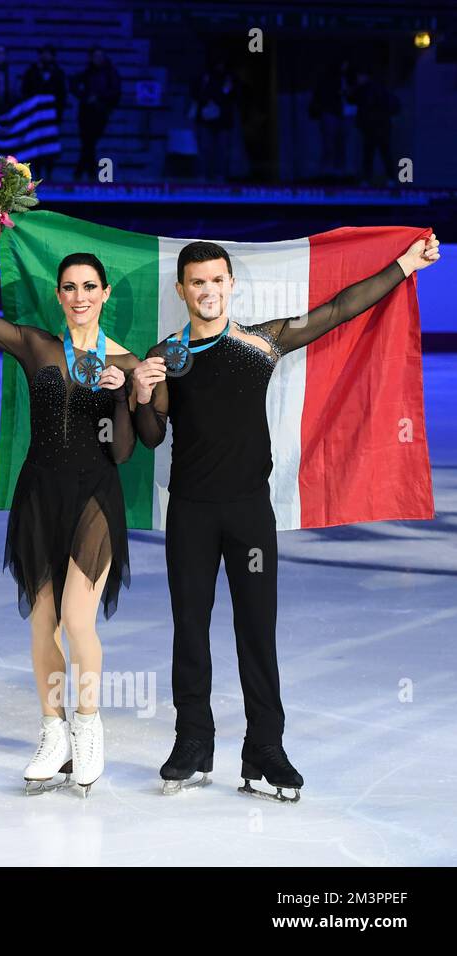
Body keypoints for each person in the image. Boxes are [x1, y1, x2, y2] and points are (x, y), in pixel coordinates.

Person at [132, 234, 440, 801]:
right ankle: (193, 741)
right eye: (196, 282)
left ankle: (264, 749)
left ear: (230, 285)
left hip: (249, 513)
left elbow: (339, 309)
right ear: (182, 289)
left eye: (216, 280)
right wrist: (143, 393)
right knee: (189, 632)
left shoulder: (261, 343)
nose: (207, 290)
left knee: (257, 632)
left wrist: (404, 264)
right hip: (192, 514)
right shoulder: (165, 356)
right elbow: (151, 439)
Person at [0, 209, 138, 796]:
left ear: (104, 294)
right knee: (43, 624)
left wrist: (125, 395)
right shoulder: (37, 345)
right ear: (58, 295)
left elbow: (127, 452)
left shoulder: (125, 361)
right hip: (40, 493)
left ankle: (88, 725)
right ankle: (52, 731)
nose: (80, 296)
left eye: (89, 287)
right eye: (70, 287)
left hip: (94, 498)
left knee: (78, 620)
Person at [20, 45, 67, 181]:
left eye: (49, 54)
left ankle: (49, 174)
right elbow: (25, 91)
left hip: (51, 118)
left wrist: (58, 114)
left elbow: (62, 95)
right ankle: (37, 174)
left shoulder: (58, 72)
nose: (46, 56)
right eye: (43, 53)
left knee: (50, 147)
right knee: (37, 147)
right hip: (35, 118)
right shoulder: (32, 72)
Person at [73, 46, 120, 181]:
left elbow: (115, 92)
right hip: (85, 113)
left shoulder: (110, 73)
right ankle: (87, 172)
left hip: (101, 113)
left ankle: (82, 171)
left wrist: (99, 97)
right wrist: (84, 96)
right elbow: (74, 85)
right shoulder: (86, 72)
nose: (97, 59)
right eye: (95, 56)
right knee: (87, 143)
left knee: (90, 143)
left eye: (100, 56)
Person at [190, 60, 236, 183]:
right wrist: (209, 101)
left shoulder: (229, 79)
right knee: (204, 149)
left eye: (222, 63)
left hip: (223, 122)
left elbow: (232, 97)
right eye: (217, 63)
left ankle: (219, 177)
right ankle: (202, 177)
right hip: (205, 121)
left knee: (222, 151)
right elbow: (196, 94)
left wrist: (221, 97)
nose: (220, 66)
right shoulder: (204, 78)